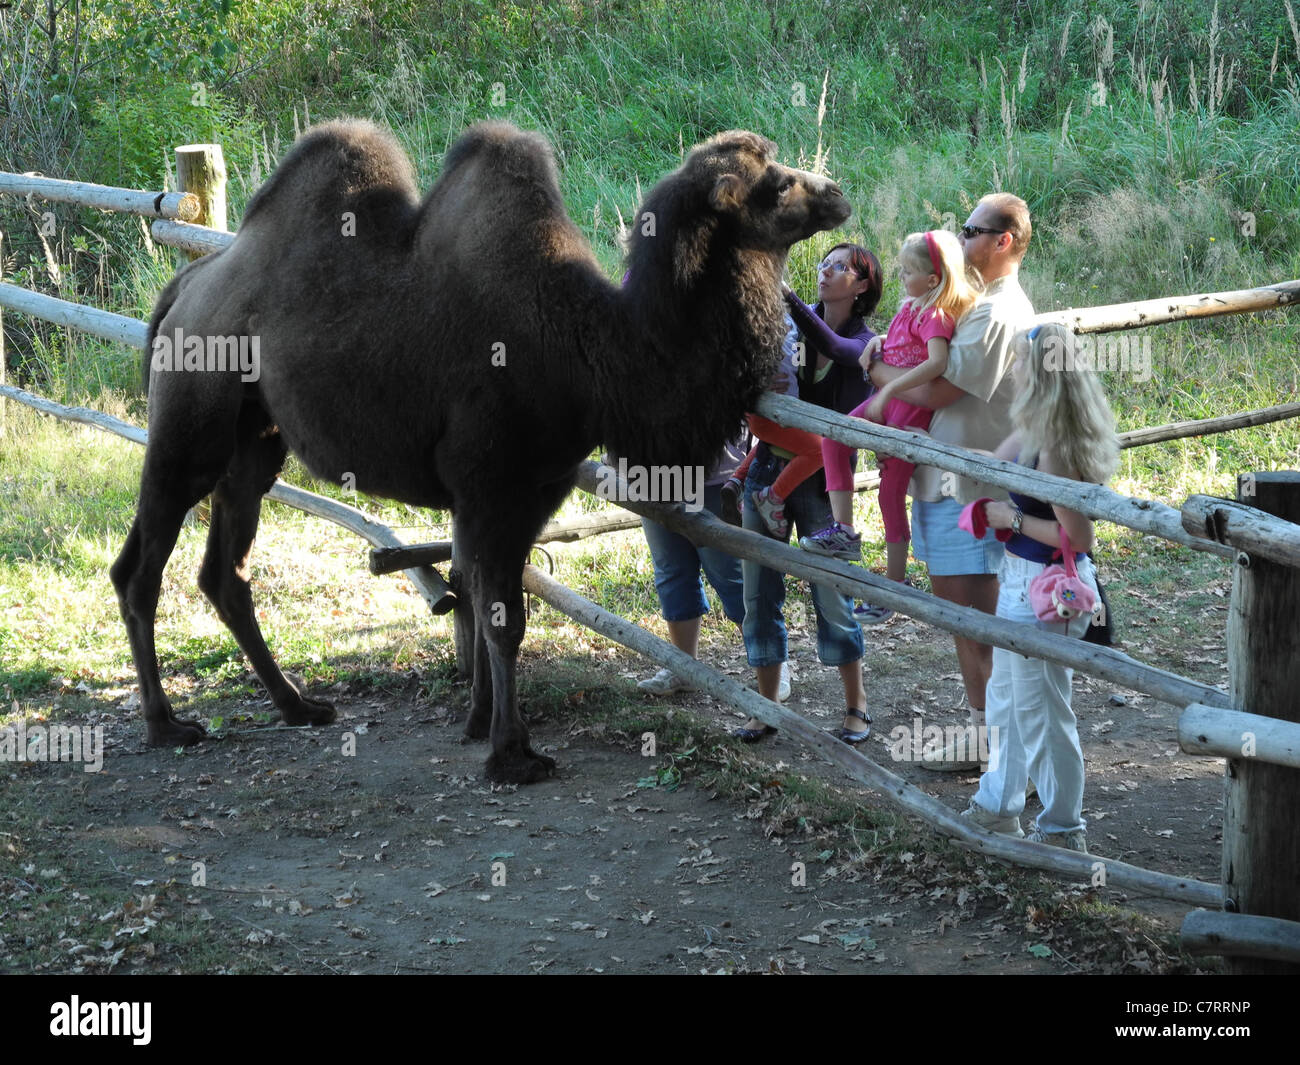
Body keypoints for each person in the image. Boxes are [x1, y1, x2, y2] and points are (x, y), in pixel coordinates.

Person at [865, 194, 1036, 770]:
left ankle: (1008, 748)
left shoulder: (995, 313)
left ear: (1002, 240)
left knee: (976, 619)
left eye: (971, 229)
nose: (961, 240)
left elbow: (938, 391)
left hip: (971, 485)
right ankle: (989, 734)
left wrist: (875, 369)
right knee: (961, 615)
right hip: (948, 477)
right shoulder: (976, 303)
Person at [959, 323, 1119, 851]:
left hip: (1047, 590)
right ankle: (998, 806)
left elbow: (1078, 535)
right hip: (1017, 581)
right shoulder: (1031, 428)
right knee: (1006, 701)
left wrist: (1012, 518)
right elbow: (990, 462)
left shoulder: (1055, 447)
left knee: (1044, 712)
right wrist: (925, 446)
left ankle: (1063, 828)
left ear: (1043, 374)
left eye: (1022, 363)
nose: (1014, 371)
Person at [730, 243, 883, 745]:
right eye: (824, 262)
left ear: (861, 286)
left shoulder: (864, 344)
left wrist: (787, 299)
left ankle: (856, 706)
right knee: (759, 592)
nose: (826, 270)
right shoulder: (786, 323)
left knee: (831, 591)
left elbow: (845, 420)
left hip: (823, 480)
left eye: (840, 266)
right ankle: (765, 705)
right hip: (767, 466)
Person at [801, 229, 980, 625]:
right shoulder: (912, 306)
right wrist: (877, 341)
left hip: (906, 411)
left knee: (890, 494)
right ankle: (844, 529)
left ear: (933, 279)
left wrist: (889, 387)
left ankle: (893, 588)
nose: (900, 277)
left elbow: (934, 362)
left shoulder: (935, 314)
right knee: (836, 434)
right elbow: (902, 345)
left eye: (907, 271)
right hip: (887, 403)